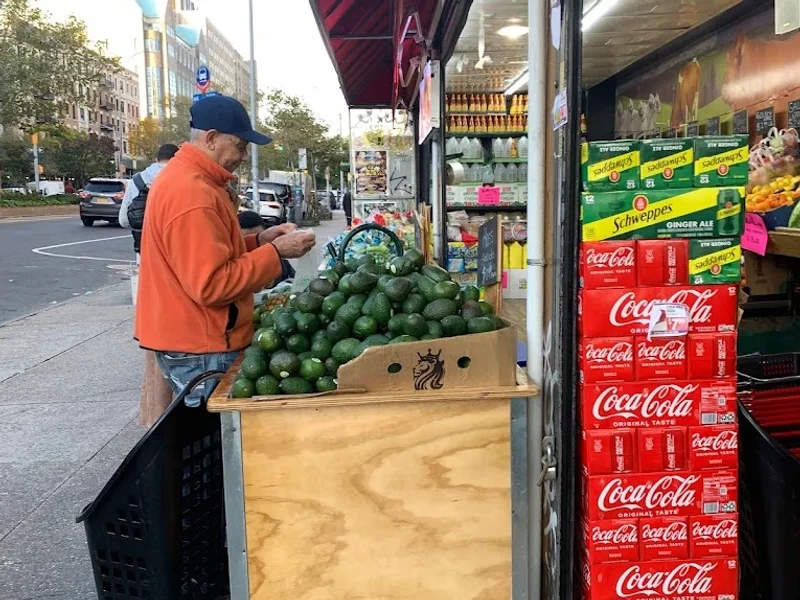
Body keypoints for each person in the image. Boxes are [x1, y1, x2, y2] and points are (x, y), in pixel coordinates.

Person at [135, 95, 316, 407]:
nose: (243, 156)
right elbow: (212, 284)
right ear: (211, 138)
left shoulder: (193, 181)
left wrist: (260, 242)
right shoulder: (192, 193)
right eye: (240, 146)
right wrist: (275, 253)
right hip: (201, 344)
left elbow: (207, 254)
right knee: (218, 433)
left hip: (194, 338)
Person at [119, 143, 179, 256]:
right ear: (177, 159)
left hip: (144, 253)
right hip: (173, 252)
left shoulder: (136, 181)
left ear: (156, 159)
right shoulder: (181, 180)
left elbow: (124, 220)